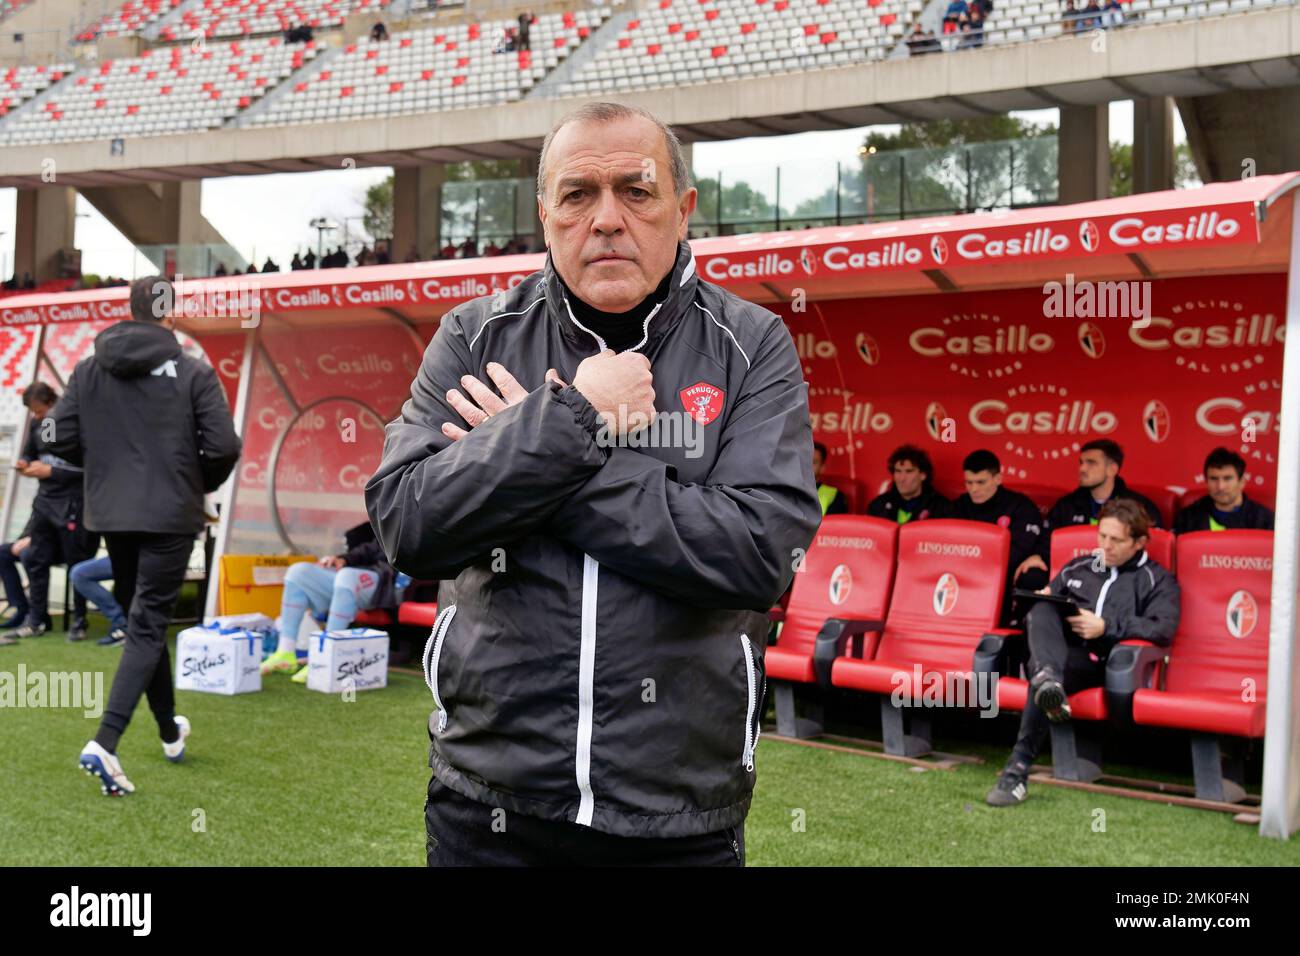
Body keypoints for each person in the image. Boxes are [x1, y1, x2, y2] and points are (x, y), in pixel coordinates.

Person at [366, 101, 821, 866]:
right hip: (488, 805)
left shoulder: (750, 346)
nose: (606, 219)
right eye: (578, 195)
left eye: (636, 192)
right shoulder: (474, 337)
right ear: (546, 216)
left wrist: (536, 448)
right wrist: (576, 417)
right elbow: (408, 525)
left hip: (679, 817)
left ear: (682, 212)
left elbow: (757, 554)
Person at [42, 275, 242, 797]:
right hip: (170, 514)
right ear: (171, 317)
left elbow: (55, 435)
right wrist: (195, 482)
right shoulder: (195, 372)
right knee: (149, 625)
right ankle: (105, 742)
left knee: (142, 622)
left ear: (129, 312)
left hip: (112, 514)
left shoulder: (87, 370)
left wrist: (105, 466)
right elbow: (223, 446)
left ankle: (168, 728)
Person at [986, 499, 1180, 806]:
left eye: (1116, 540)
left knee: (1044, 681)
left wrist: (1106, 627)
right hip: (1058, 655)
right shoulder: (1079, 566)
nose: (1106, 546)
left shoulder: (1157, 580)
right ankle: (1047, 682)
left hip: (1104, 664)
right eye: (1102, 536)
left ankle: (1016, 771)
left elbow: (1163, 628)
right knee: (1042, 608)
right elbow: (1045, 608)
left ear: (1140, 541)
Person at [10, 382, 97, 642]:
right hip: (46, 504)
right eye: (33, 413)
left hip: (74, 506)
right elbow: (39, 452)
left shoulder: (77, 423)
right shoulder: (44, 425)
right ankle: (37, 619)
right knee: (35, 558)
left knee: (77, 563)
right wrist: (25, 463)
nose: (36, 417)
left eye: (39, 411)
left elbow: (89, 470)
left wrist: (52, 472)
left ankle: (80, 621)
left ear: (52, 403)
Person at [260, 520, 399, 682]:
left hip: (387, 580)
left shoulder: (418, 519)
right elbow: (373, 548)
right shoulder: (394, 516)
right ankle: (285, 652)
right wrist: (344, 559)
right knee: (297, 573)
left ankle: (325, 658)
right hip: (362, 572)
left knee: (346, 576)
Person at [1016, 439, 1162, 586]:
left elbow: (1152, 547)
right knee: (1031, 575)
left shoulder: (1139, 506)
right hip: (1072, 571)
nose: (1082, 469)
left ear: (1112, 469)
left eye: (1091, 462)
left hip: (1122, 572)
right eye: (1081, 462)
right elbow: (1047, 539)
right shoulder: (1067, 504)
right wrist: (1038, 556)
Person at [949, 449, 1044, 626]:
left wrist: (983, 566)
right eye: (969, 482)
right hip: (962, 575)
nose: (974, 489)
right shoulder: (958, 506)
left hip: (1002, 574)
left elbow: (1021, 549)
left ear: (998, 479)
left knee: (1032, 576)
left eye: (981, 482)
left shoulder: (1019, 506)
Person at [1174, 448, 1274, 533]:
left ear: (1242, 482)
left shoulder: (1264, 520)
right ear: (1206, 481)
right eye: (1214, 479)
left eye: (1227, 478)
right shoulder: (1187, 517)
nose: (1220, 486)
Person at [867, 444, 949, 524]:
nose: (902, 478)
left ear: (923, 475)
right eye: (898, 471)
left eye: (909, 471)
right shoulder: (878, 505)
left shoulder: (941, 508)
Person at [70, 555, 129, 647]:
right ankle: (121, 623)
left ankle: (122, 625)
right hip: (121, 555)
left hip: (147, 556)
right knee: (78, 574)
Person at [0, 531, 33, 637]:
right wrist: (21, 540)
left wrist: (32, 539)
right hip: (35, 539)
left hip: (57, 543)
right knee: (2, 552)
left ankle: (36, 614)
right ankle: (20, 607)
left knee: (28, 554)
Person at [812, 442, 849, 515]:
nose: (807, 465)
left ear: (822, 468)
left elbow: (835, 525)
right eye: (804, 461)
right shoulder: (787, 491)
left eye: (813, 462)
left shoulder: (836, 496)